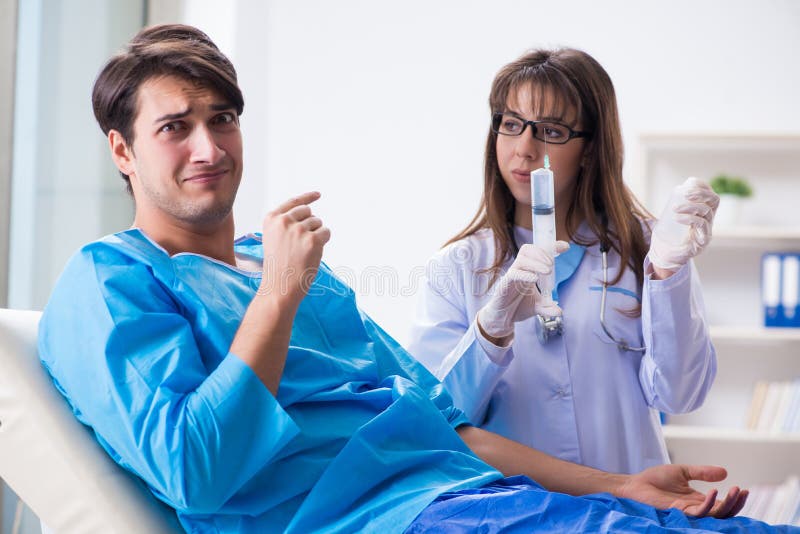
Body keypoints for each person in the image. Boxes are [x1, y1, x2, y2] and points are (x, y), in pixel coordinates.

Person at [38, 24, 790, 534]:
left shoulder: (293, 268)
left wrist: (619, 487)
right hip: (394, 519)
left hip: (476, 496)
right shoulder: (111, 278)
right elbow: (196, 470)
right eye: (175, 127)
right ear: (122, 151)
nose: (209, 146)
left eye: (224, 118)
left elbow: (441, 423)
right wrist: (277, 298)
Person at [408, 48, 720, 476]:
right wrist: (489, 332)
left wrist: (667, 273)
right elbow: (434, 422)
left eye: (551, 131)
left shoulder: (647, 246)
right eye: (511, 124)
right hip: (515, 515)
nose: (524, 149)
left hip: (629, 512)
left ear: (591, 148)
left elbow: (680, 396)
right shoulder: (458, 265)